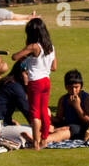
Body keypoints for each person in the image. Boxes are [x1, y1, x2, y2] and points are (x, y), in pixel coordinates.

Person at [11, 18, 56, 149]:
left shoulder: (33, 46)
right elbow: (54, 67)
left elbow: (15, 57)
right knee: (44, 111)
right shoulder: (50, 47)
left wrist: (27, 55)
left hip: (35, 82)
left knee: (35, 113)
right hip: (46, 81)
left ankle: (35, 142)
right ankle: (44, 139)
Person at [51, 69, 89, 142]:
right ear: (66, 87)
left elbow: (87, 121)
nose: (74, 90)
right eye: (70, 88)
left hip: (80, 129)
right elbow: (59, 119)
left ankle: (44, 140)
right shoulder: (63, 99)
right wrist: (49, 116)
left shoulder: (87, 98)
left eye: (76, 87)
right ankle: (39, 136)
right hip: (66, 126)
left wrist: (77, 106)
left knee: (67, 130)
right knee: (50, 127)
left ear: (81, 86)